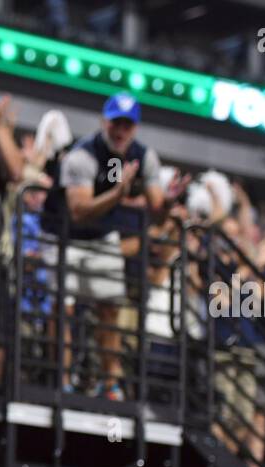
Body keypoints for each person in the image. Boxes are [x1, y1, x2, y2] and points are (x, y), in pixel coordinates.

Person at [57, 92, 180, 401]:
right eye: (116, 123)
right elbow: (79, 210)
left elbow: (157, 210)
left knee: (110, 307)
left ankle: (108, 381)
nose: (121, 130)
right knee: (63, 307)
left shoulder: (144, 156)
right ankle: (64, 378)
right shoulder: (83, 154)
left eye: (127, 124)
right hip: (69, 237)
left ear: (135, 127)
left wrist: (169, 201)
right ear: (104, 122)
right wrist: (118, 193)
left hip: (102, 239)